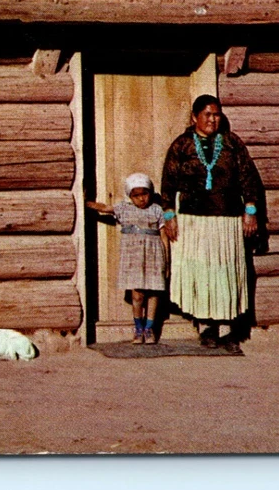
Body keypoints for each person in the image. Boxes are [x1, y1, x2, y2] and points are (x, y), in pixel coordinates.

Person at [161, 94, 261, 352]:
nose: (212, 119)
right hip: (194, 220)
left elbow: (248, 178)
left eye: (216, 114)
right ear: (194, 117)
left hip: (226, 219)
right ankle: (207, 328)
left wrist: (250, 210)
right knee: (201, 272)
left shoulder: (232, 143)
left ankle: (228, 331)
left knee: (224, 271)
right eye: (207, 114)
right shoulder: (182, 145)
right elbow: (168, 183)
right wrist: (169, 216)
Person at [87, 172, 168, 344]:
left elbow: (164, 236)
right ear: (130, 196)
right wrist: (86, 203)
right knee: (137, 294)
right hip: (134, 256)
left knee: (154, 292)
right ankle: (138, 329)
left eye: (144, 194)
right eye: (136, 195)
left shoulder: (157, 210)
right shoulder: (124, 208)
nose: (141, 199)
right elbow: (104, 208)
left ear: (150, 193)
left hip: (154, 254)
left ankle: (149, 329)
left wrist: (166, 262)